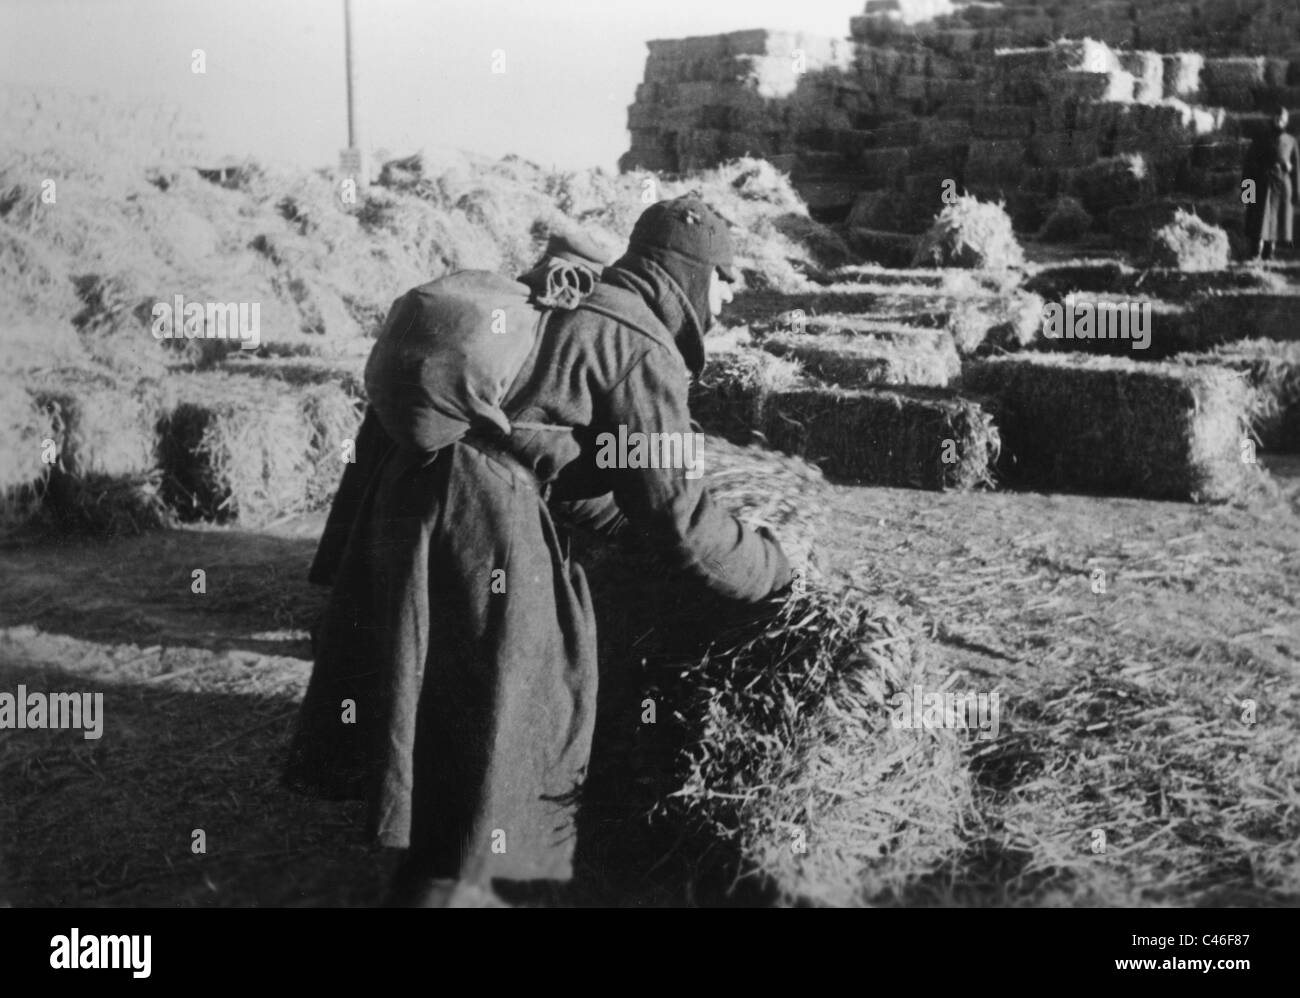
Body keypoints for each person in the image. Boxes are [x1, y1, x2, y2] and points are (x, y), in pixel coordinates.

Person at [283, 195, 794, 907]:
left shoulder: (578, 301)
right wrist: (773, 568)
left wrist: (619, 524)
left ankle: (442, 865)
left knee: (442, 695)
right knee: (512, 710)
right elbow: (679, 517)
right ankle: (453, 885)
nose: (730, 299)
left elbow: (546, 440)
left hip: (418, 495)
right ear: (691, 276)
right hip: (483, 518)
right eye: (726, 279)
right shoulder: (640, 345)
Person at [1243, 105, 1299, 262]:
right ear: (1272, 119)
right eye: (1276, 118)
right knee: (1259, 223)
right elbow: (1249, 165)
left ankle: (1269, 255)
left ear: (1286, 121)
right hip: (1262, 186)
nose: (1279, 121)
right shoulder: (1260, 138)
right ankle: (1255, 255)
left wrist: (1296, 193)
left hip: (1282, 188)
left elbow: (1296, 169)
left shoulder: (1290, 141)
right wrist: (1247, 195)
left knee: (1276, 224)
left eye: (1282, 119)